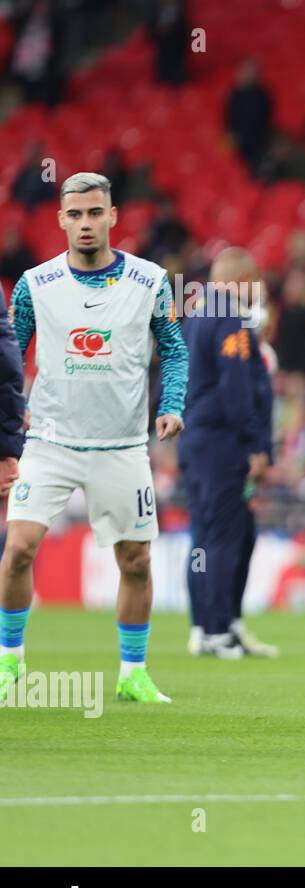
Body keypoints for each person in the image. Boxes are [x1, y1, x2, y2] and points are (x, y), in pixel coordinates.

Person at [0, 172, 188, 704]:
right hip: (50, 442)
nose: (86, 223)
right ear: (60, 219)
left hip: (122, 446)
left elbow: (173, 350)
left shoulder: (150, 280)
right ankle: (9, 663)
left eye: (95, 213)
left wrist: (172, 405)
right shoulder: (35, 284)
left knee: (136, 561)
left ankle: (133, 672)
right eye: (75, 214)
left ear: (113, 216)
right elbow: (9, 357)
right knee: (17, 551)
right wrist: (11, 426)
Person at [180, 247, 277, 659]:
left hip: (197, 439)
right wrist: (254, 442)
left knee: (206, 537)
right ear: (242, 279)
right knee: (223, 538)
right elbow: (236, 387)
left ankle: (208, 626)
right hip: (223, 442)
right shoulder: (229, 317)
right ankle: (219, 632)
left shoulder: (194, 315)